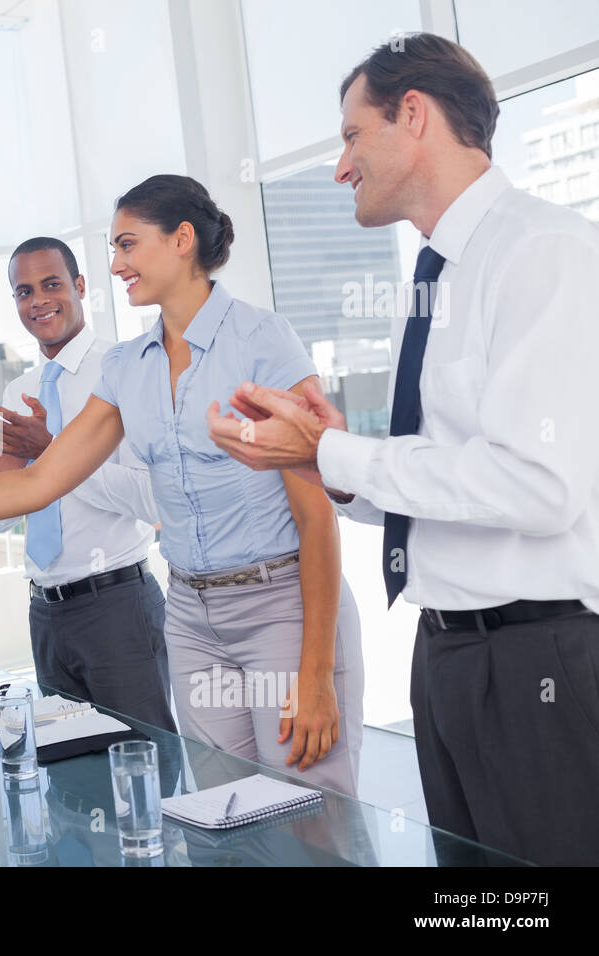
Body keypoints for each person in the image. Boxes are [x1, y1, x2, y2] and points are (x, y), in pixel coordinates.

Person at [205, 33, 599, 866]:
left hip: (538, 664)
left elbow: (538, 486)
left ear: (412, 114)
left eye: (352, 135)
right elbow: (447, 476)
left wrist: (339, 453)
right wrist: (322, 459)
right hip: (448, 655)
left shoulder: (543, 252)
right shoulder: (433, 277)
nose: (341, 165)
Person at [0, 175, 364, 796]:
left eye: (127, 245)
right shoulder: (126, 368)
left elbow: (316, 516)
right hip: (193, 619)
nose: (115, 265)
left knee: (311, 820)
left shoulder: (262, 339)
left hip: (279, 605)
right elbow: (37, 483)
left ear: (181, 241)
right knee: (229, 819)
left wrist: (316, 670)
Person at [0, 237, 171, 730]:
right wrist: (7, 472)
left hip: (118, 607)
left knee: (146, 768)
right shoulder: (19, 392)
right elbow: (22, 505)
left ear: (80, 286)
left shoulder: (126, 368)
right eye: (23, 291)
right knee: (72, 781)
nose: (37, 300)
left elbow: (152, 497)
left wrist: (52, 450)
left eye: (51, 284)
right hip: (45, 614)